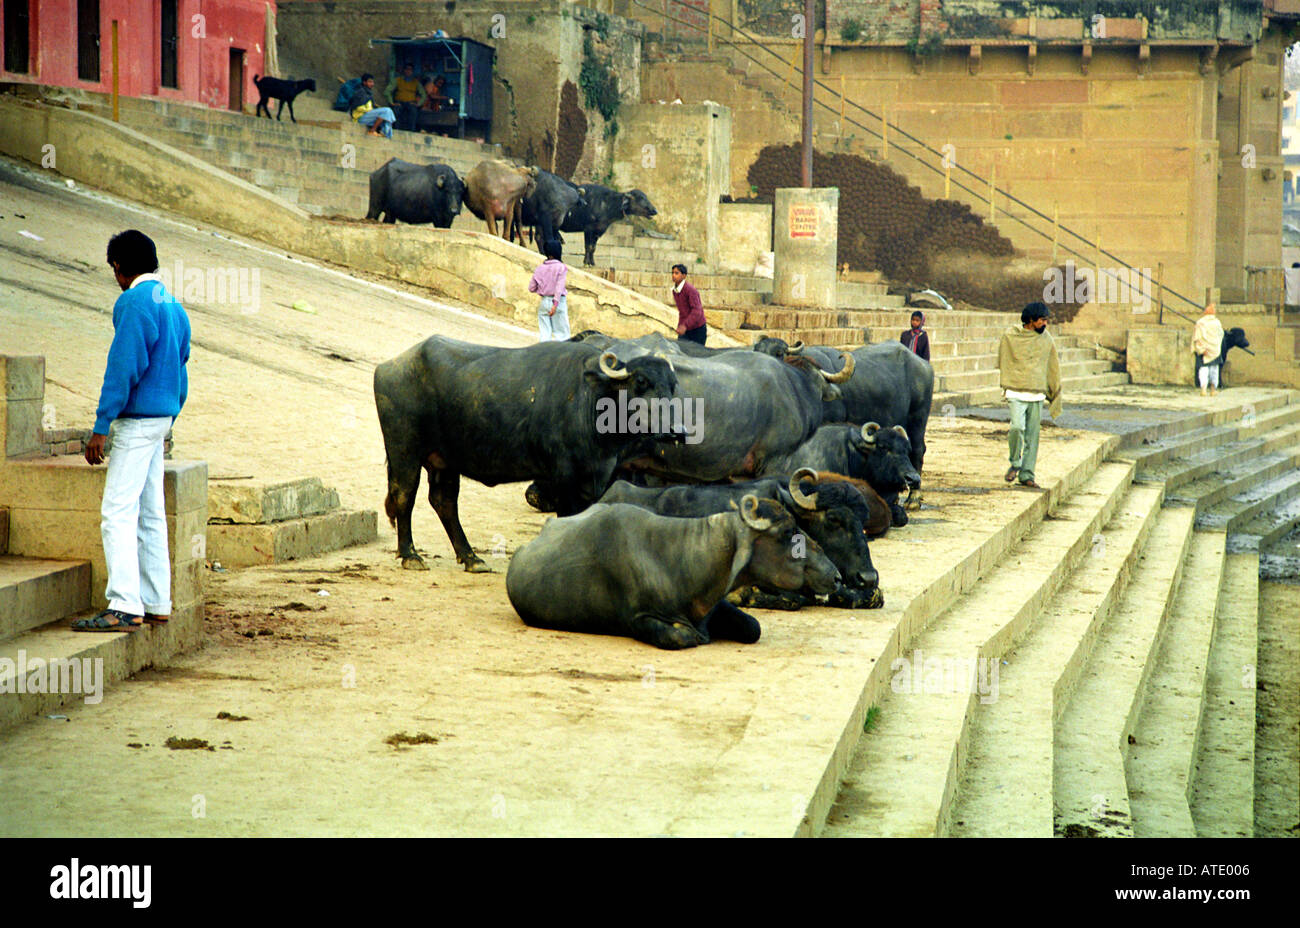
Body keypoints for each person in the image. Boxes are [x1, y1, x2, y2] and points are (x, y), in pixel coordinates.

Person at [74, 230, 191, 632]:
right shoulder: (172, 304)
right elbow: (182, 363)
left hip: (137, 421)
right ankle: (157, 601)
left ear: (120, 267)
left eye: (114, 269)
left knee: (117, 512)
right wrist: (170, 415)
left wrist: (101, 426)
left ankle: (125, 604)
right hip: (161, 420)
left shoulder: (135, 302)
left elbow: (123, 367)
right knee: (151, 513)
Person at [997, 301, 1061, 490]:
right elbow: (1005, 360)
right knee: (1016, 427)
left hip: (1037, 393)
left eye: (1046, 320)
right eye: (1042, 320)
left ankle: (1027, 474)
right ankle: (1015, 463)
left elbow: (1052, 365)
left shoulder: (1047, 339)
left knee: (1033, 436)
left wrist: (1054, 390)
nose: (1045, 324)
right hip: (1015, 390)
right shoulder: (1011, 336)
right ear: (1031, 320)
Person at [529, 238, 569, 341]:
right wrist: (555, 305)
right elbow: (559, 288)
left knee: (544, 334)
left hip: (544, 301)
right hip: (558, 303)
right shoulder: (561, 267)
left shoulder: (540, 268)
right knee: (562, 335)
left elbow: (531, 288)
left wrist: (543, 290)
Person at [1192, 302, 1225, 397]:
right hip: (1214, 350)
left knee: (1203, 370)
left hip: (1204, 350)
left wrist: (1201, 348)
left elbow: (1197, 337)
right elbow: (1220, 335)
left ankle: (1203, 390)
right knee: (1214, 370)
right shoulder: (1217, 322)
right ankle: (1213, 390)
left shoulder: (1200, 323)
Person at [348, 73, 395, 139]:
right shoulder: (360, 92)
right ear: (364, 82)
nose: (372, 84)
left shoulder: (369, 93)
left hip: (367, 116)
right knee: (387, 111)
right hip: (360, 117)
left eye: (372, 82)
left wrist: (373, 111)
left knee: (387, 115)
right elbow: (357, 107)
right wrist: (370, 110)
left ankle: (385, 134)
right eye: (370, 82)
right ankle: (372, 131)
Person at [671, 263, 707, 345]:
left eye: (676, 273)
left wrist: (685, 325)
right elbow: (682, 312)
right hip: (685, 330)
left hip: (697, 329)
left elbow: (697, 311)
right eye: (672, 273)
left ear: (684, 276)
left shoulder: (690, 290)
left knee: (696, 355)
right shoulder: (675, 291)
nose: (673, 275)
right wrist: (680, 325)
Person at [385, 62, 425, 132]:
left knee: (413, 112)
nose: (408, 71)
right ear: (404, 70)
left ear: (412, 72)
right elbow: (387, 91)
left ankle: (411, 132)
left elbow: (423, 95)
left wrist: (418, 104)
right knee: (396, 111)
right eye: (407, 69)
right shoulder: (397, 80)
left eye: (410, 70)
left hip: (410, 103)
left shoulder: (416, 82)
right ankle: (396, 130)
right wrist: (391, 102)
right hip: (399, 102)